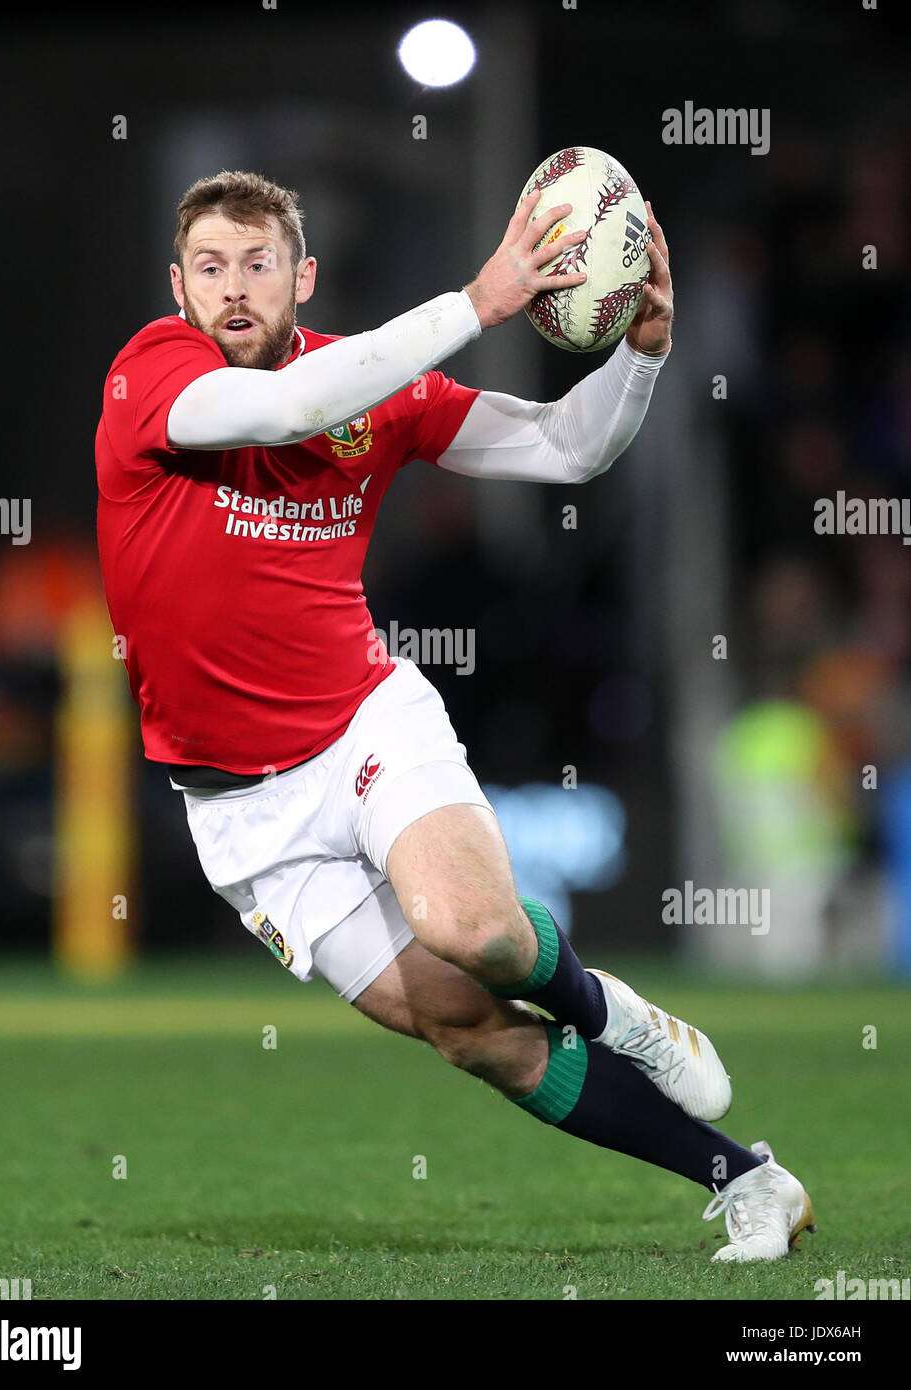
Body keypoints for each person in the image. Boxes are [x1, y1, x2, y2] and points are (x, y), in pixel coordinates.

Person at [95, 170, 814, 1262]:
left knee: (473, 929)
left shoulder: (375, 390)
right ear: (178, 285)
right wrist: (476, 305)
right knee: (469, 1030)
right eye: (209, 266)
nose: (233, 289)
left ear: (304, 277)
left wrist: (643, 353)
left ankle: (615, 1014)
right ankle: (745, 1177)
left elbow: (568, 448)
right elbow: (291, 407)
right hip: (240, 813)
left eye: (258, 263)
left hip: (363, 727)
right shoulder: (152, 373)